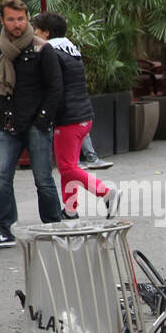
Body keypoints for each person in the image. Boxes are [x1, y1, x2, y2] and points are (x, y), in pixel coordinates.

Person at [0, 0, 62, 247]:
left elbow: (55, 87)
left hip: (36, 123)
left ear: (27, 18)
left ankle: (54, 227)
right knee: (1, 176)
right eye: (11, 19)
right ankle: (3, 228)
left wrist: (42, 120)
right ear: (3, 21)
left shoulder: (42, 48)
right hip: (7, 123)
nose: (17, 24)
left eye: (21, 19)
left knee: (43, 179)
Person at [31, 12, 119, 219]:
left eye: (36, 32)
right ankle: (70, 209)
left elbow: (53, 87)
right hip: (83, 116)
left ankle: (106, 193)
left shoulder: (50, 51)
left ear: (46, 32)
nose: (33, 35)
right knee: (67, 165)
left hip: (67, 118)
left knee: (67, 166)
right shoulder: (71, 49)